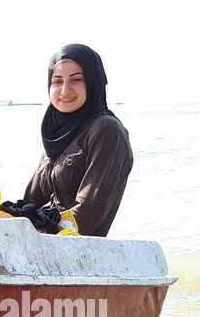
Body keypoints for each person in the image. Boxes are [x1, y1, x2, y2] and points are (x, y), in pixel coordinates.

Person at [20, 44, 132, 238]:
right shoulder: (57, 133)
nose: (65, 90)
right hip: (46, 244)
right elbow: (31, 202)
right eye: (57, 81)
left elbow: (87, 218)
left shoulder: (107, 131)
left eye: (76, 80)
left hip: (77, 252)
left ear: (93, 82)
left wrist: (40, 229)